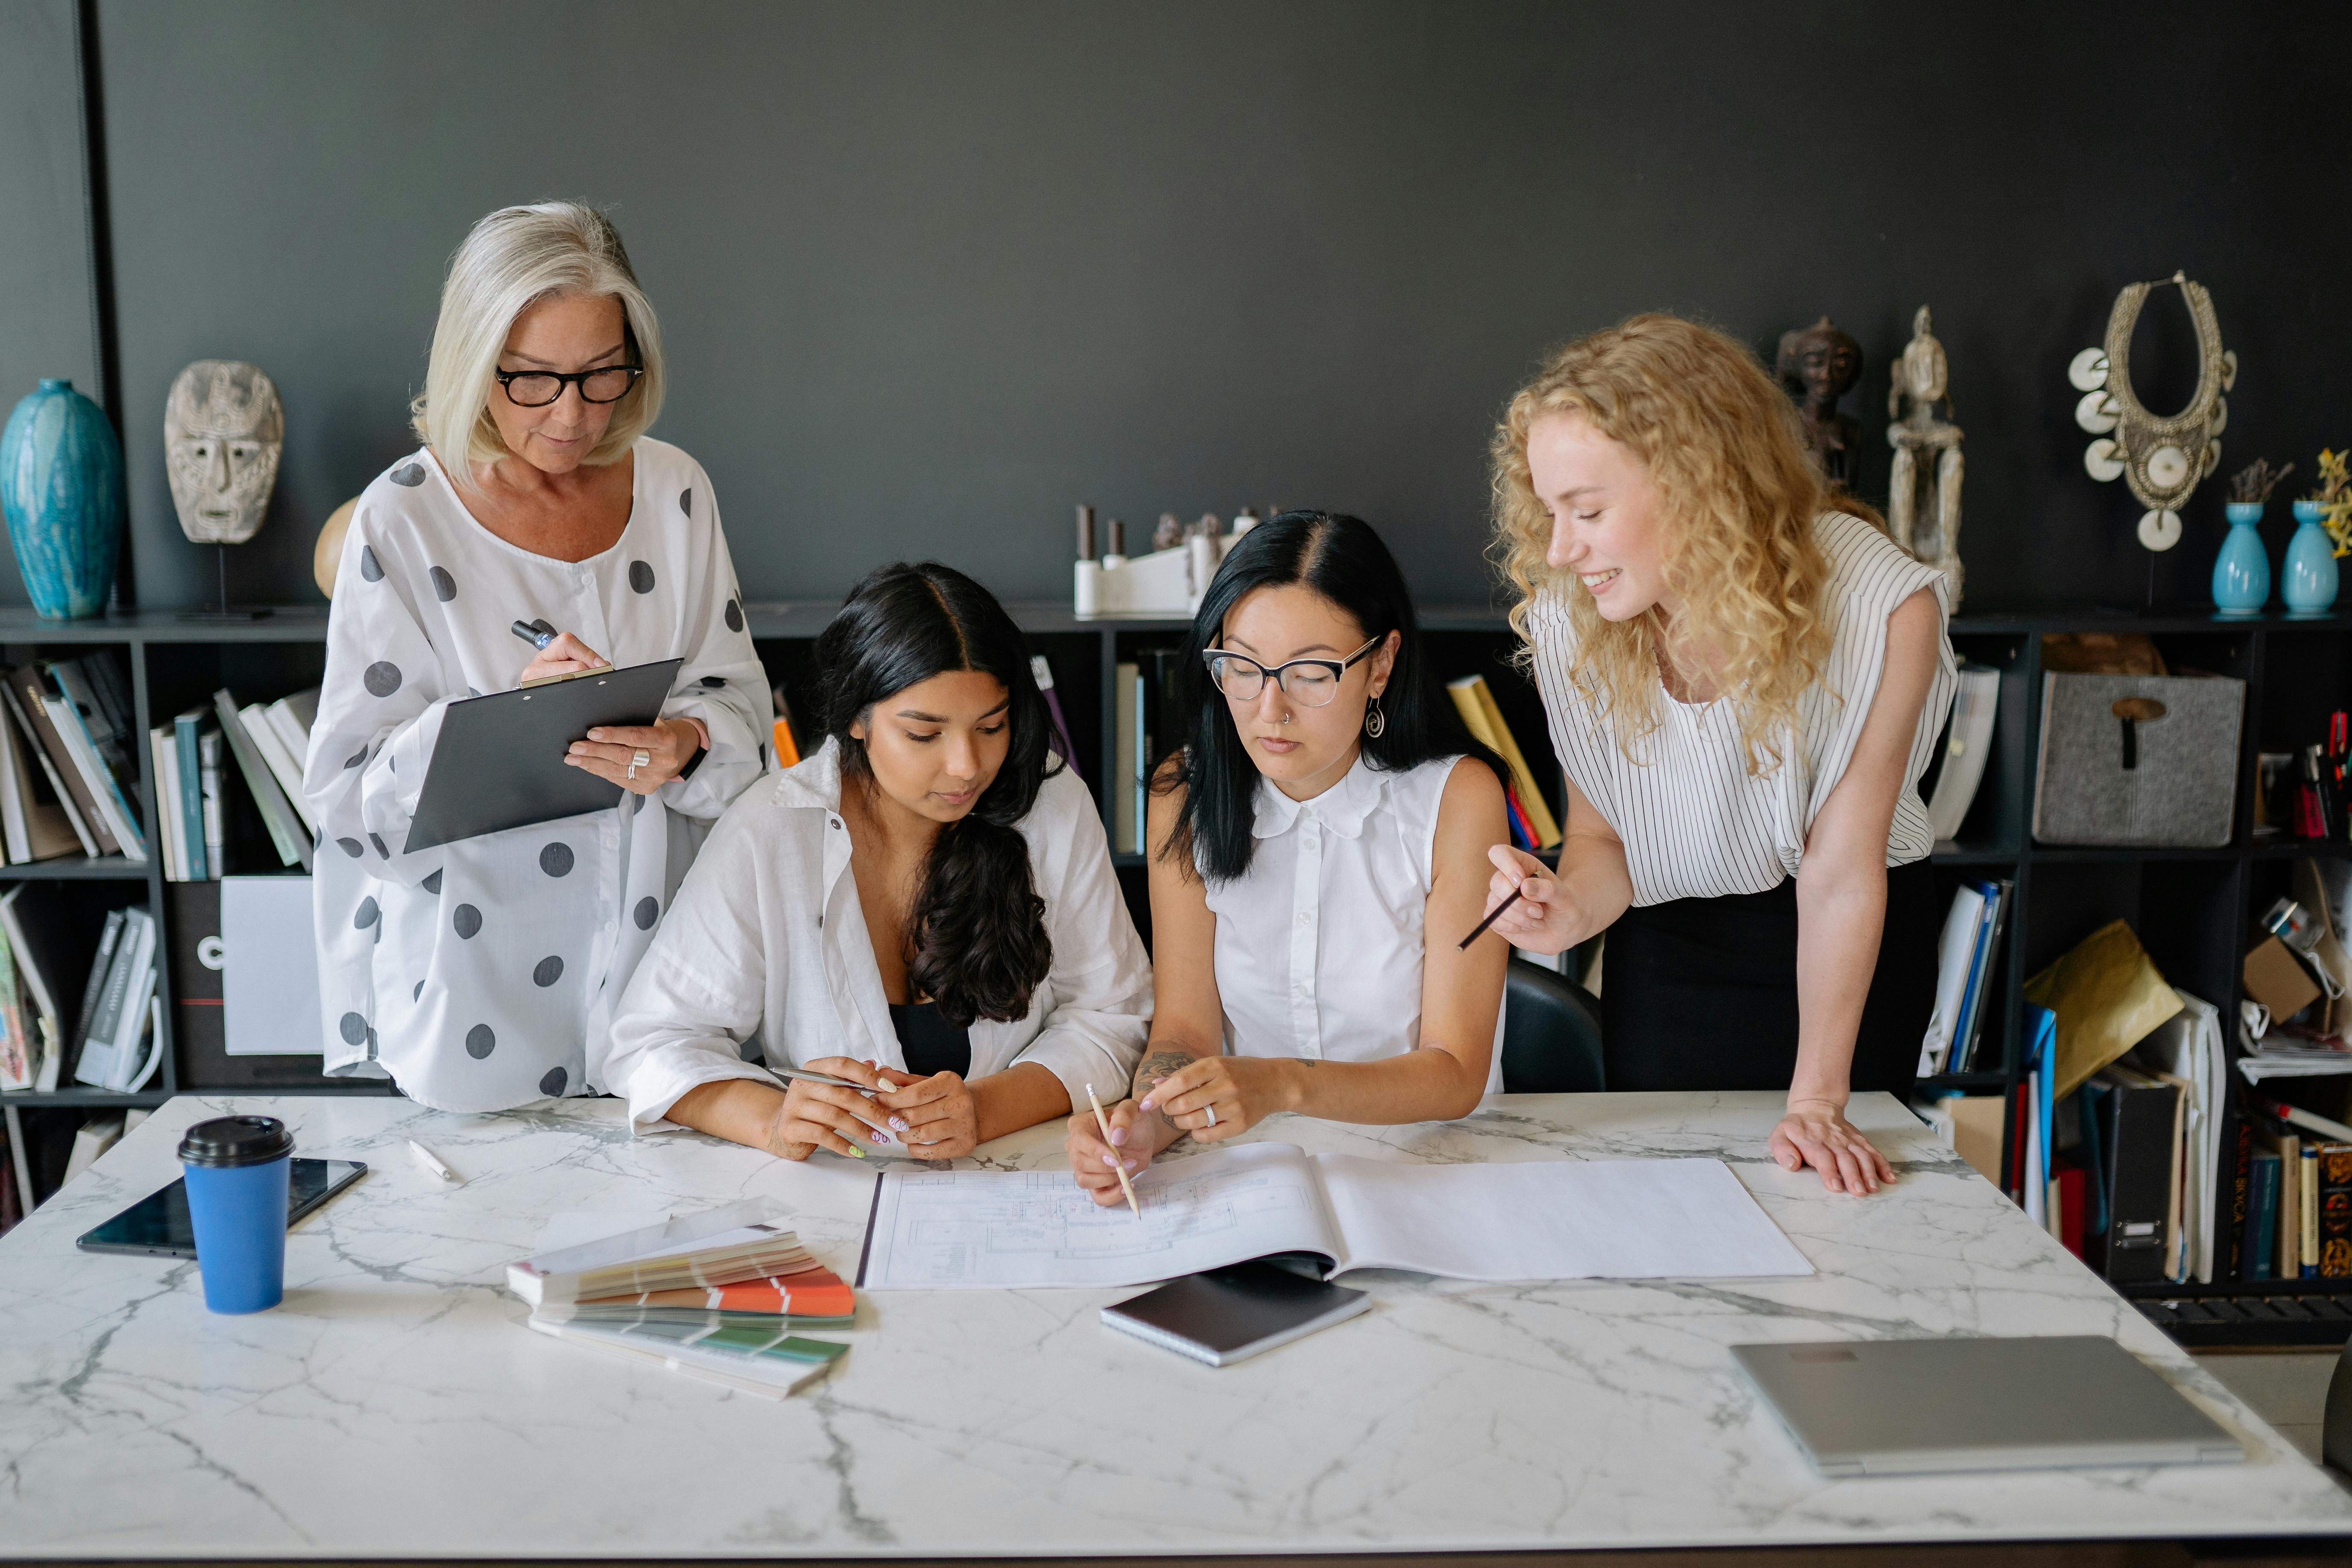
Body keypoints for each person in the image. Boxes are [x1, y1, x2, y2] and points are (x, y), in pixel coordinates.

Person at [304, 201, 768, 1112]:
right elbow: (348, 795)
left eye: (601, 375)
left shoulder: (676, 490)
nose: (573, 413)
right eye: (533, 379)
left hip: (667, 979)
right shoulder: (402, 517)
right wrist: (498, 725)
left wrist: (684, 743)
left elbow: (744, 714)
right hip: (478, 993)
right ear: (474, 363)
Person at [1484, 314, 1956, 1195]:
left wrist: (1817, 1099)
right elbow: (1603, 843)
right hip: (1670, 953)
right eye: (1549, 512)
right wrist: (1566, 910)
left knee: (1833, 1217)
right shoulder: (1569, 619)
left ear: (1697, 482)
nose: (1559, 549)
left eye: (1588, 511)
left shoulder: (1880, 605)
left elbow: (1841, 871)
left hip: (1849, 952)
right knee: (1673, 1216)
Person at [602, 562, 1152, 1159]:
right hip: (833, 1193)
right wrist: (774, 1121)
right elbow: (653, 1045)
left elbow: (1114, 1016)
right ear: (856, 719)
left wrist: (985, 1110)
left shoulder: (1050, 803)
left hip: (1021, 1180)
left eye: (991, 727)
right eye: (924, 734)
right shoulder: (774, 827)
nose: (967, 766)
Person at [1066, 513, 1511, 1205]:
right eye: (1242, 668)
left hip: (1433, 1166)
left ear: (1380, 664)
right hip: (1259, 1168)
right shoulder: (1183, 792)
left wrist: (1279, 1084)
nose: (1269, 709)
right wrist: (1143, 1124)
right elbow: (1185, 1031)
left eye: (1309, 674)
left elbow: (1453, 1073)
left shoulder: (1455, 797)